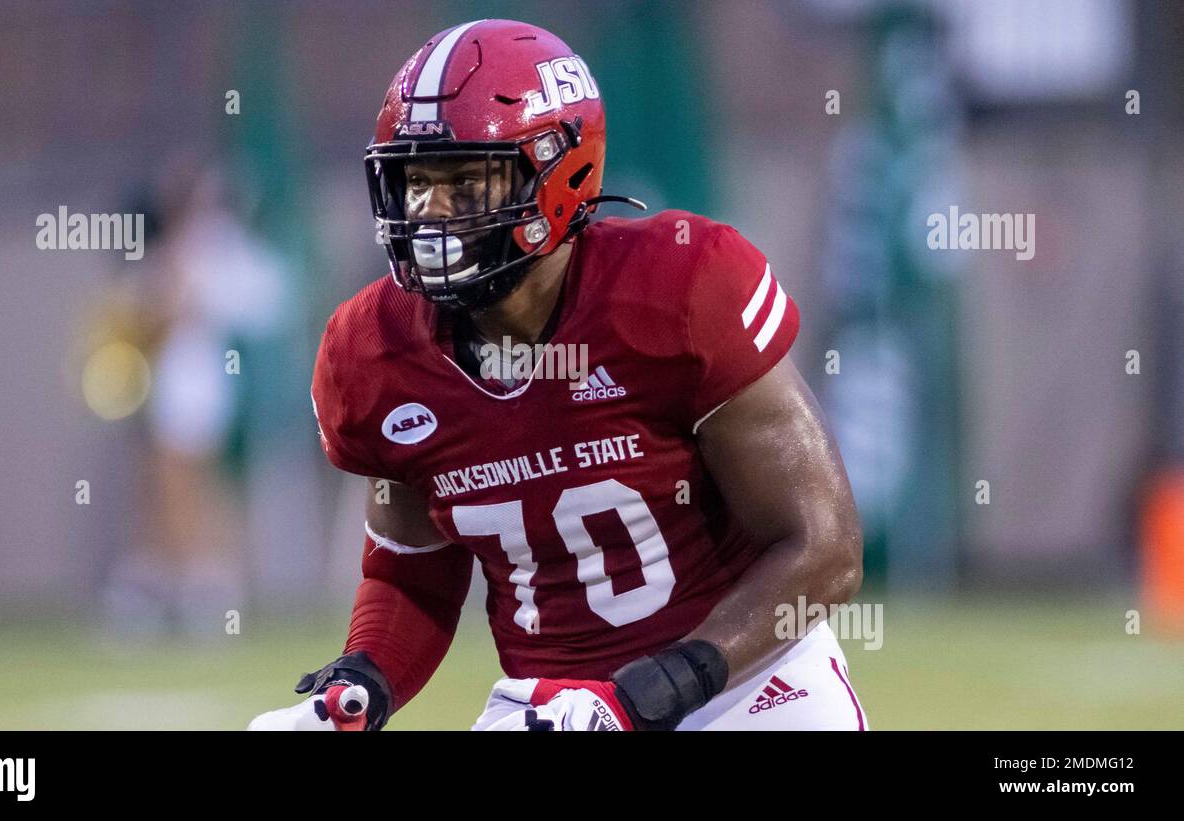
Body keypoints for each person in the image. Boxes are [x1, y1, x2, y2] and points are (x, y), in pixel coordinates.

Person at [250, 19, 866, 731]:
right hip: (557, 708)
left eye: (464, 181)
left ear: (556, 172)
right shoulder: (376, 352)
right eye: (415, 182)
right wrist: (362, 683)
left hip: (747, 685)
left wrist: (650, 693)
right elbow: (410, 575)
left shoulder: (681, 291)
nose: (430, 214)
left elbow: (823, 549)